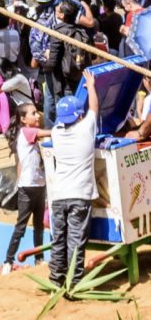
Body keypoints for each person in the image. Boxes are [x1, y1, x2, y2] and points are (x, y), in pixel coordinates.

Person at [47, 81, 98, 290]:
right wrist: (91, 86)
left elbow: (89, 111)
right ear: (79, 116)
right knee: (76, 240)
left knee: (58, 239)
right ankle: (74, 283)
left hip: (58, 195)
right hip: (79, 195)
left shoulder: (55, 133)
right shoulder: (86, 129)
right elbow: (94, 108)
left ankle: (56, 279)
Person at [3, 101, 46, 275]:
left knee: (38, 226)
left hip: (38, 185)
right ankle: (8, 261)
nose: (37, 116)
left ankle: (39, 258)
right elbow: (48, 133)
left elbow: (21, 162)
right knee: (22, 226)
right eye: (33, 113)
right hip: (29, 189)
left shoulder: (28, 134)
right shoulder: (28, 132)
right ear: (23, 119)